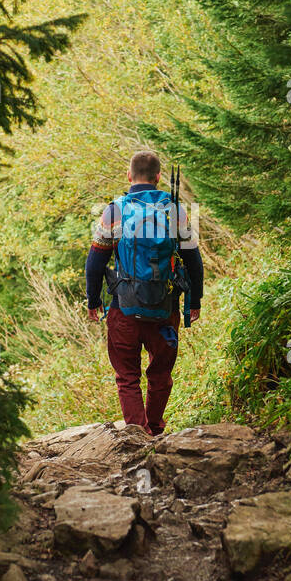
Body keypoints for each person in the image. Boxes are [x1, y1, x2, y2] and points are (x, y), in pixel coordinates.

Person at [85, 150, 203, 437]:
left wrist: (93, 301)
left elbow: (95, 261)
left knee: (127, 377)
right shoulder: (175, 209)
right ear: (159, 177)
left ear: (129, 176)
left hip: (124, 310)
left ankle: (137, 436)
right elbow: (193, 260)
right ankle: (155, 431)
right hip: (165, 310)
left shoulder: (115, 210)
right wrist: (194, 302)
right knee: (160, 375)